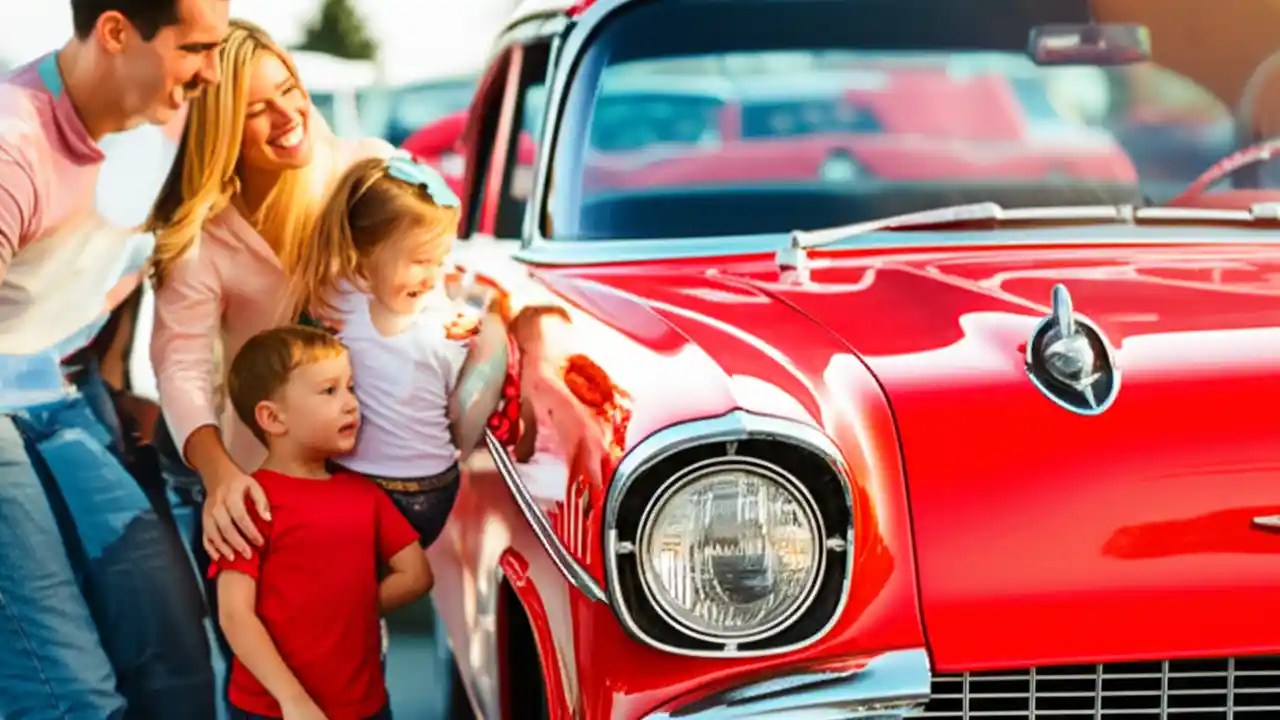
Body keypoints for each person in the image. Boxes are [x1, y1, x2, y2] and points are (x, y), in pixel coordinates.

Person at [0, 0, 227, 717]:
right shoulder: (14, 147)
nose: (212, 73)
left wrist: (114, 368)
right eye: (195, 49)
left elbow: (125, 245)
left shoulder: (168, 108)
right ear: (116, 32)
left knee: (175, 661)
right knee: (69, 691)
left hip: (72, 393)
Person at [146, 17, 392, 656]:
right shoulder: (208, 238)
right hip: (265, 497)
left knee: (355, 667)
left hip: (366, 477)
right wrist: (221, 475)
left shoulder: (364, 175)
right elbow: (180, 365)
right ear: (222, 131)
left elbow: (439, 273)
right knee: (267, 673)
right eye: (258, 109)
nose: (289, 113)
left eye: (291, 88)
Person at [213, 325, 431, 720]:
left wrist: (347, 612)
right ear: (273, 418)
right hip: (271, 711)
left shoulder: (366, 496)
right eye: (329, 391)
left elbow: (417, 575)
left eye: (350, 388)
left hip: (364, 706)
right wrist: (291, 699)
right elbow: (234, 614)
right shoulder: (249, 502)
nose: (351, 404)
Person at [292, 155, 491, 548]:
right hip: (405, 487)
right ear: (362, 263)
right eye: (420, 261)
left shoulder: (440, 322)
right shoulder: (340, 303)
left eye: (440, 260)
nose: (434, 276)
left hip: (403, 490)